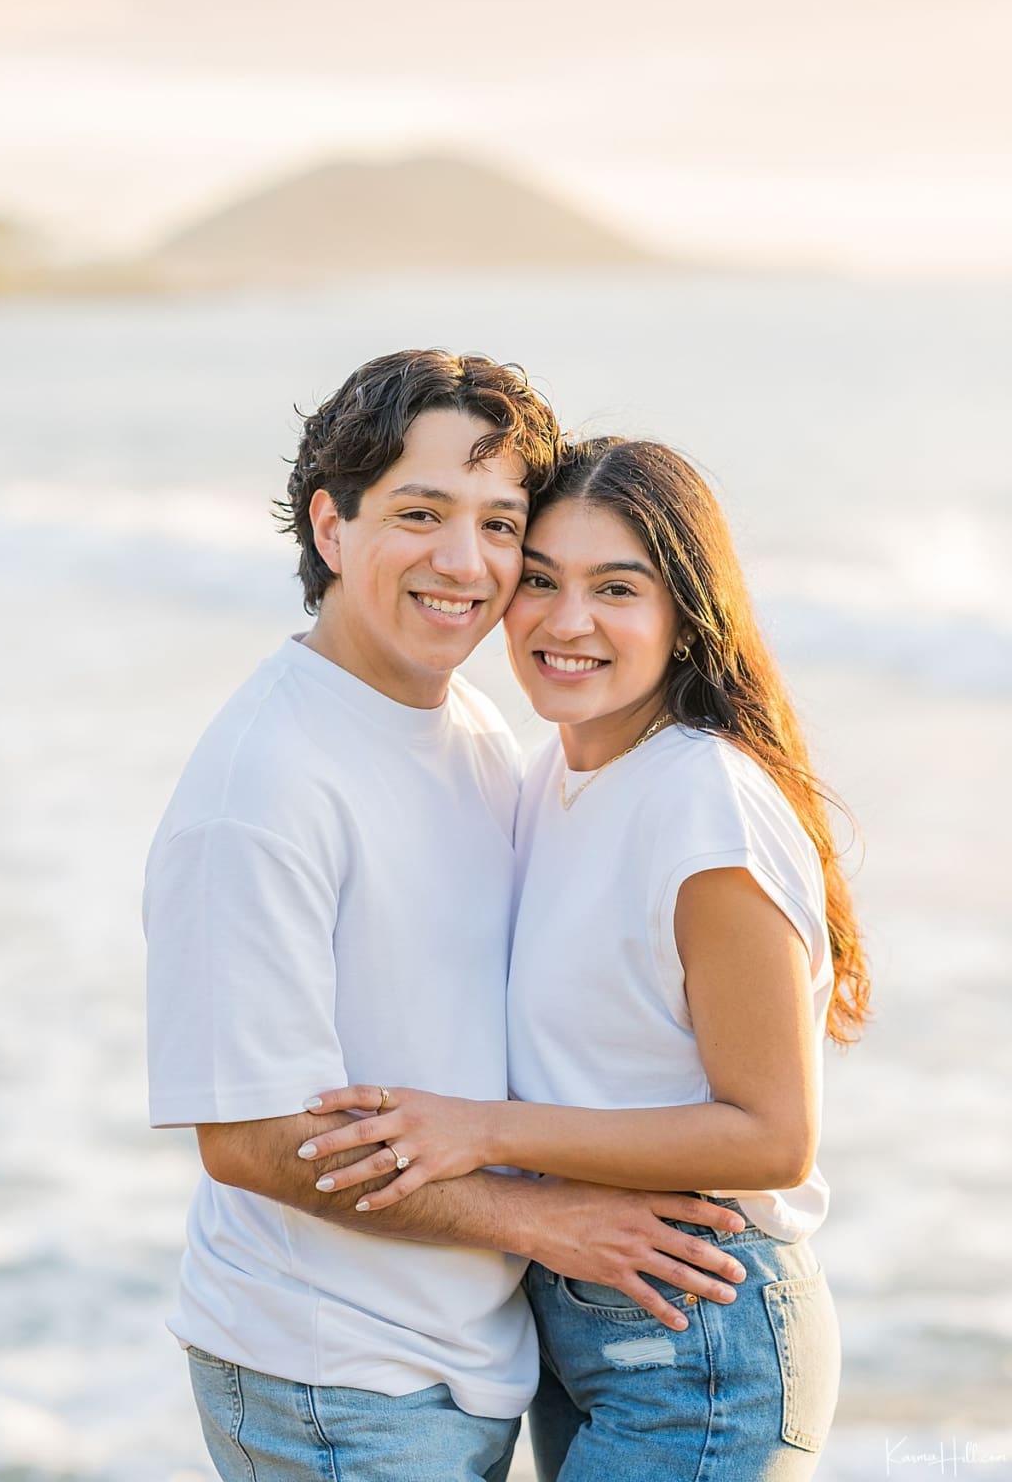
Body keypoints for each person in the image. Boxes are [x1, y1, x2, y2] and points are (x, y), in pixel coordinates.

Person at [145, 367, 749, 1482]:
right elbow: (248, 1138)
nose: (466, 563)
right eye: (421, 514)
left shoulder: (472, 724)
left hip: (474, 1354)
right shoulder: (261, 789)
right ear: (332, 526)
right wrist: (543, 1222)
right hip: (333, 1375)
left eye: (500, 524)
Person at [300, 436, 871, 1479]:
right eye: (541, 580)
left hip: (698, 1334)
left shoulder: (704, 803)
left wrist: (478, 1130)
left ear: (686, 613)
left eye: (616, 588)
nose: (567, 622)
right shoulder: (544, 780)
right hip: (579, 1318)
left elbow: (775, 1135)